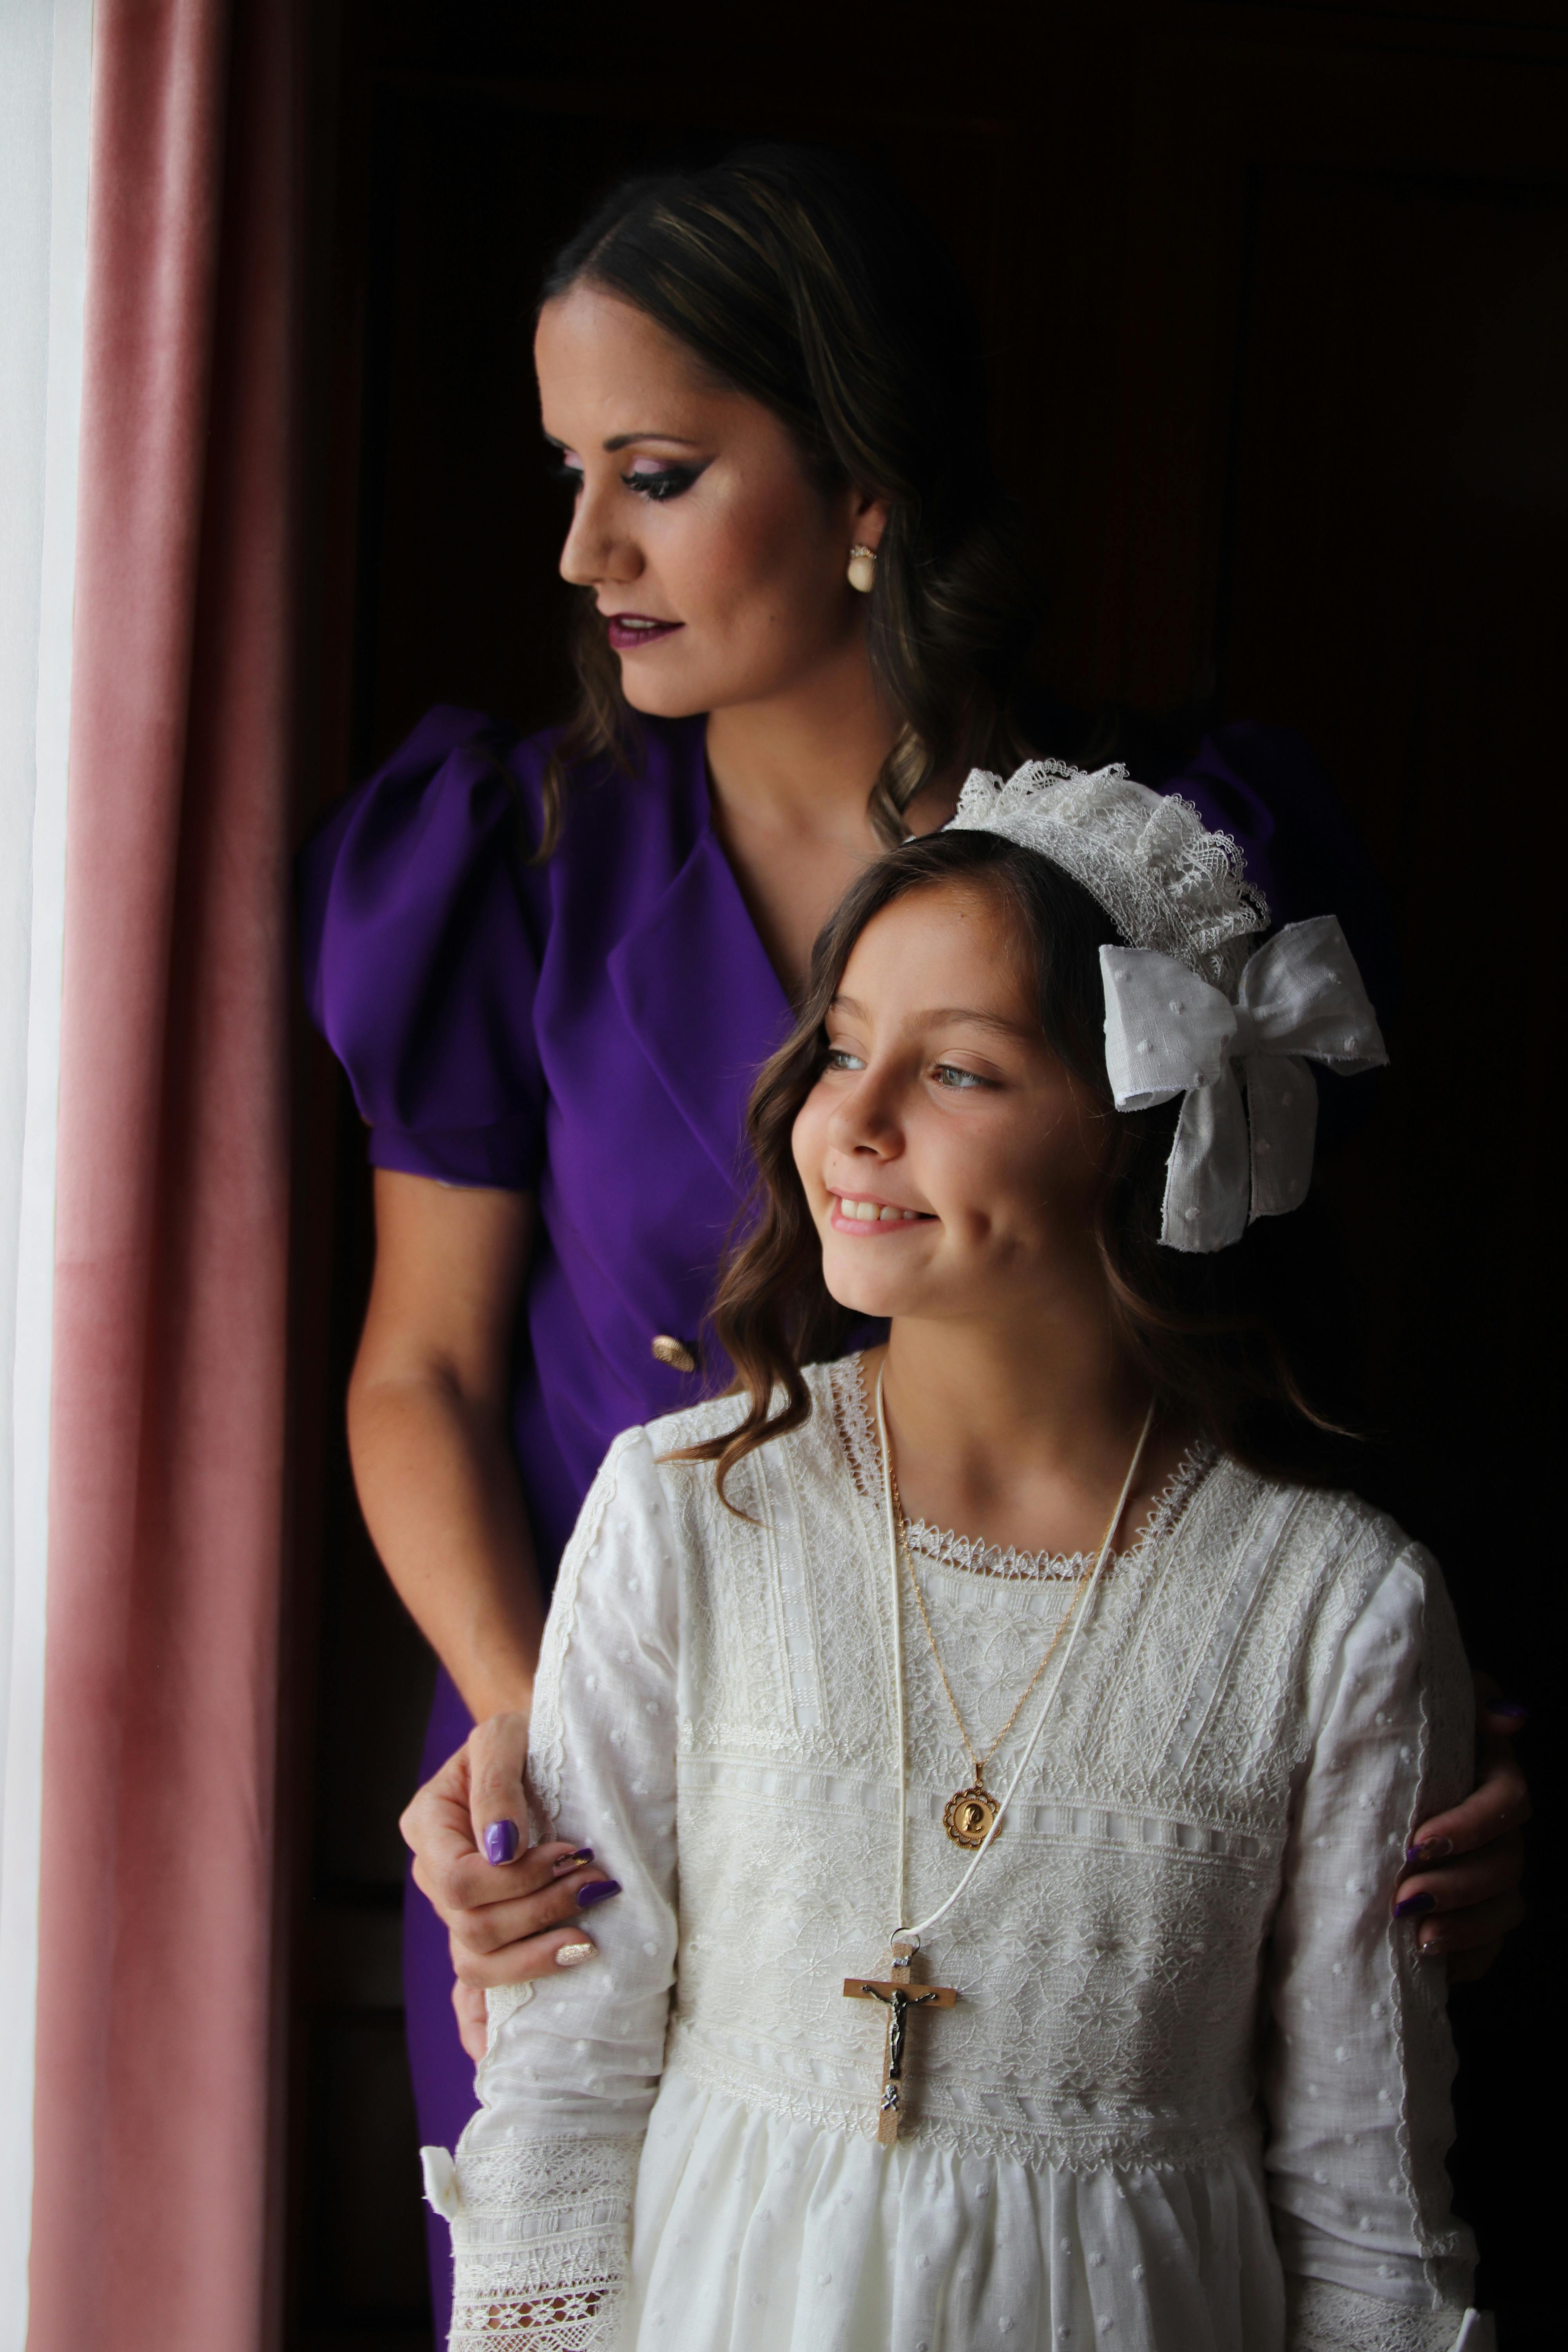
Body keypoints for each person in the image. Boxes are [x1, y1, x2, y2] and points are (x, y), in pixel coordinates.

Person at [296, 147, 1527, 2333]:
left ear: (865, 486)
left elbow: (1293, 1362)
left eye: (657, 474)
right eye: (573, 474)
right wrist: (538, 1746)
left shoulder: (1186, 874)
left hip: (1100, 1832)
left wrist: (1416, 1748)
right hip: (622, 1821)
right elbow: (426, 1371)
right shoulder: (513, 860)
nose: (585, 551)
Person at [423, 765, 1491, 2352]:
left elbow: (1357, 2195)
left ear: (1143, 1134)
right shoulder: (685, 1511)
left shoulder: (1332, 1609)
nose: (847, 1122)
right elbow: (566, 2084)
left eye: (962, 1076)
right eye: (843, 1048)